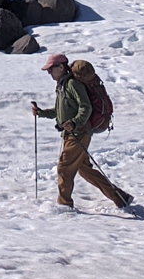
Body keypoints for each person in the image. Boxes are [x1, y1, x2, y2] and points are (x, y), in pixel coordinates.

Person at [30, 53, 133, 211]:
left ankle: (64, 205)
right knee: (83, 169)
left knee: (64, 168)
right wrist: (42, 112)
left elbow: (86, 107)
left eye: (50, 69)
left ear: (60, 67)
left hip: (79, 133)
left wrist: (74, 123)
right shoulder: (63, 84)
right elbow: (61, 111)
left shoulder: (72, 84)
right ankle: (120, 198)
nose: (49, 73)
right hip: (72, 133)